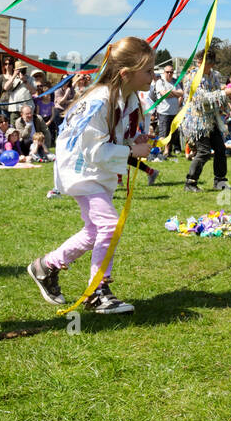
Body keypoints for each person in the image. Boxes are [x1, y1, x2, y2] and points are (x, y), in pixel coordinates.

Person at [25, 36, 154, 315]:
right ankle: (97, 290)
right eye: (149, 71)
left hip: (97, 171)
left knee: (94, 230)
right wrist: (132, 149)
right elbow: (94, 150)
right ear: (126, 74)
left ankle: (45, 266)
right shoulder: (99, 100)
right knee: (109, 224)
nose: (153, 77)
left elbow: (111, 139)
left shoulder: (125, 98)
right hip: (83, 171)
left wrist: (134, 140)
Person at [182, 62, 231, 191]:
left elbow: (217, 96)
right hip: (197, 120)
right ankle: (190, 182)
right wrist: (223, 93)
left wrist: (228, 98)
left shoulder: (214, 76)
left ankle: (220, 181)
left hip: (212, 119)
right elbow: (201, 99)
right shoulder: (192, 77)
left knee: (220, 149)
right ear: (199, 62)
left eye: (210, 64)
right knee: (204, 152)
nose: (207, 66)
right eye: (204, 62)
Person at [147, 63, 183, 160]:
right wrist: (174, 94)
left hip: (174, 112)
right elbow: (163, 94)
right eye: (167, 72)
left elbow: (181, 93)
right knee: (164, 133)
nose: (169, 74)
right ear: (164, 73)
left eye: (171, 72)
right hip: (164, 112)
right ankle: (159, 152)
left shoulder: (175, 81)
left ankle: (168, 151)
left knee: (172, 133)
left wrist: (170, 93)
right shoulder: (160, 82)